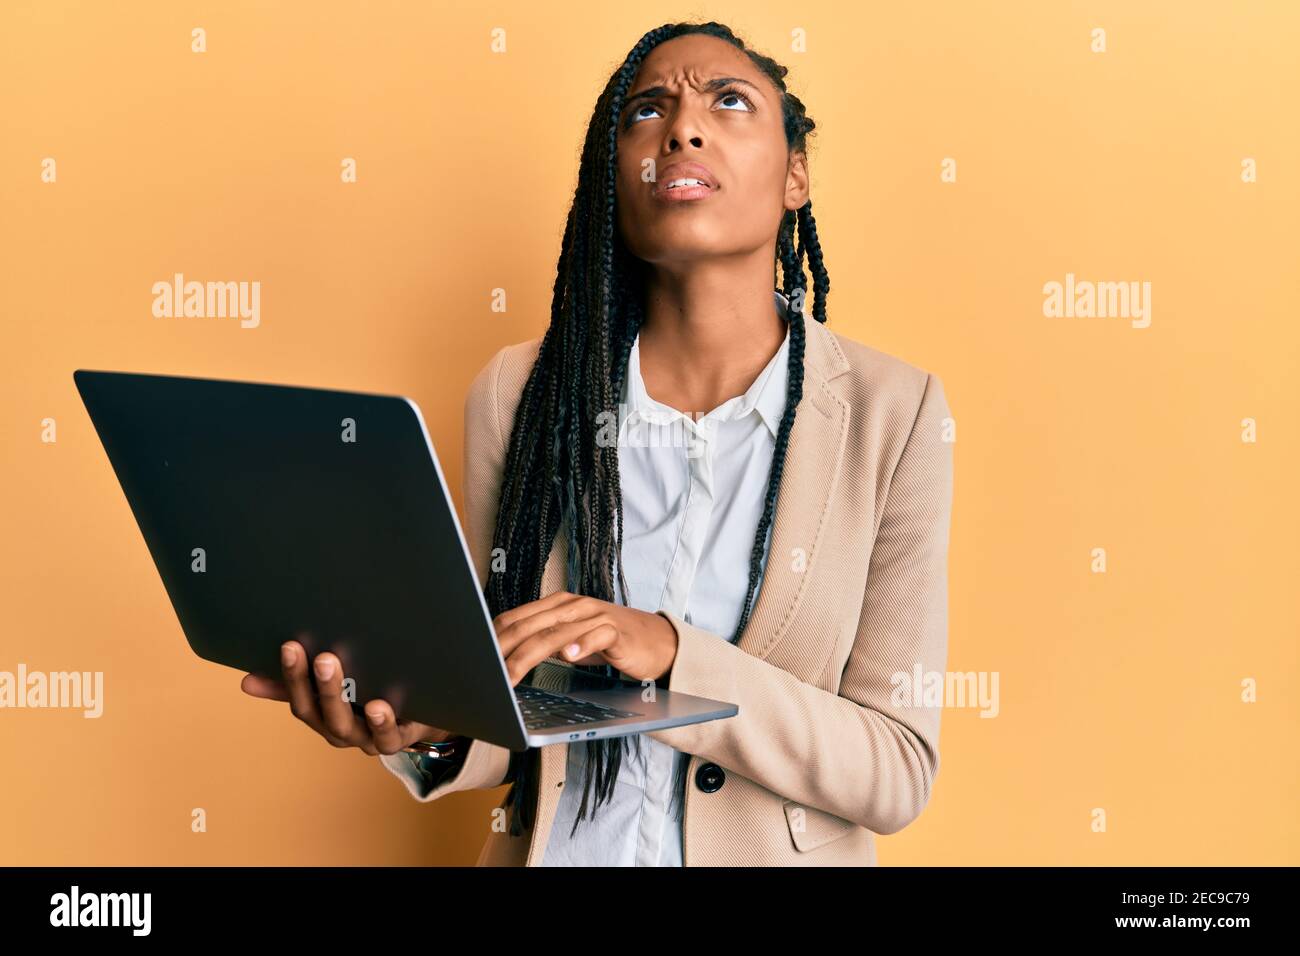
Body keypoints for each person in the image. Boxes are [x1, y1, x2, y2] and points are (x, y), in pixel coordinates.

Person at [241, 20, 954, 867]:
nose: (683, 127)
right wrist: (421, 729)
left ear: (796, 174)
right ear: (614, 175)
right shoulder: (520, 394)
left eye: (729, 102)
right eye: (647, 110)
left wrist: (672, 653)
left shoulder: (894, 414)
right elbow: (506, 703)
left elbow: (897, 770)